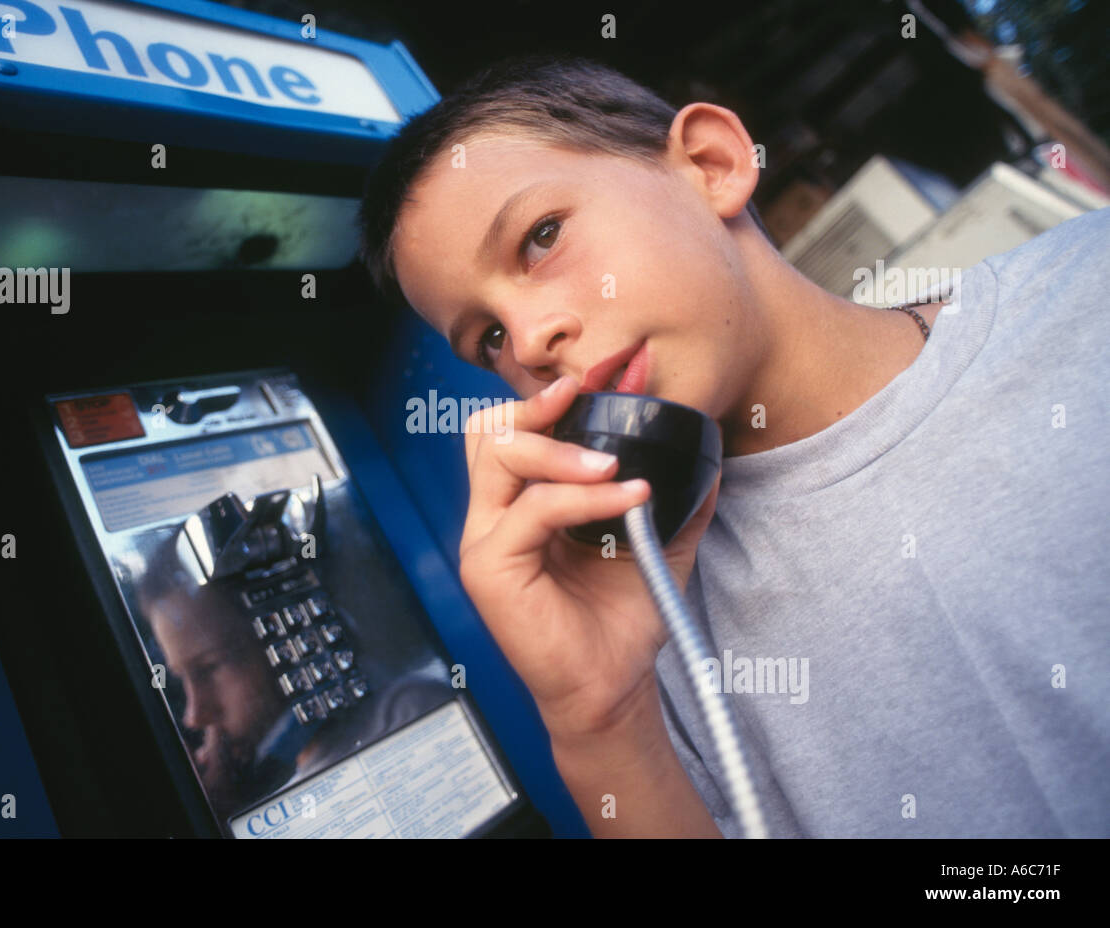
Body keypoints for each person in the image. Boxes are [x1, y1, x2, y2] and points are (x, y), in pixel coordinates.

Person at [356, 54, 1110, 837]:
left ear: (713, 165)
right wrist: (600, 723)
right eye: (489, 341)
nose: (534, 341)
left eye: (541, 237)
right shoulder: (646, 625)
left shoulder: (1088, 300)